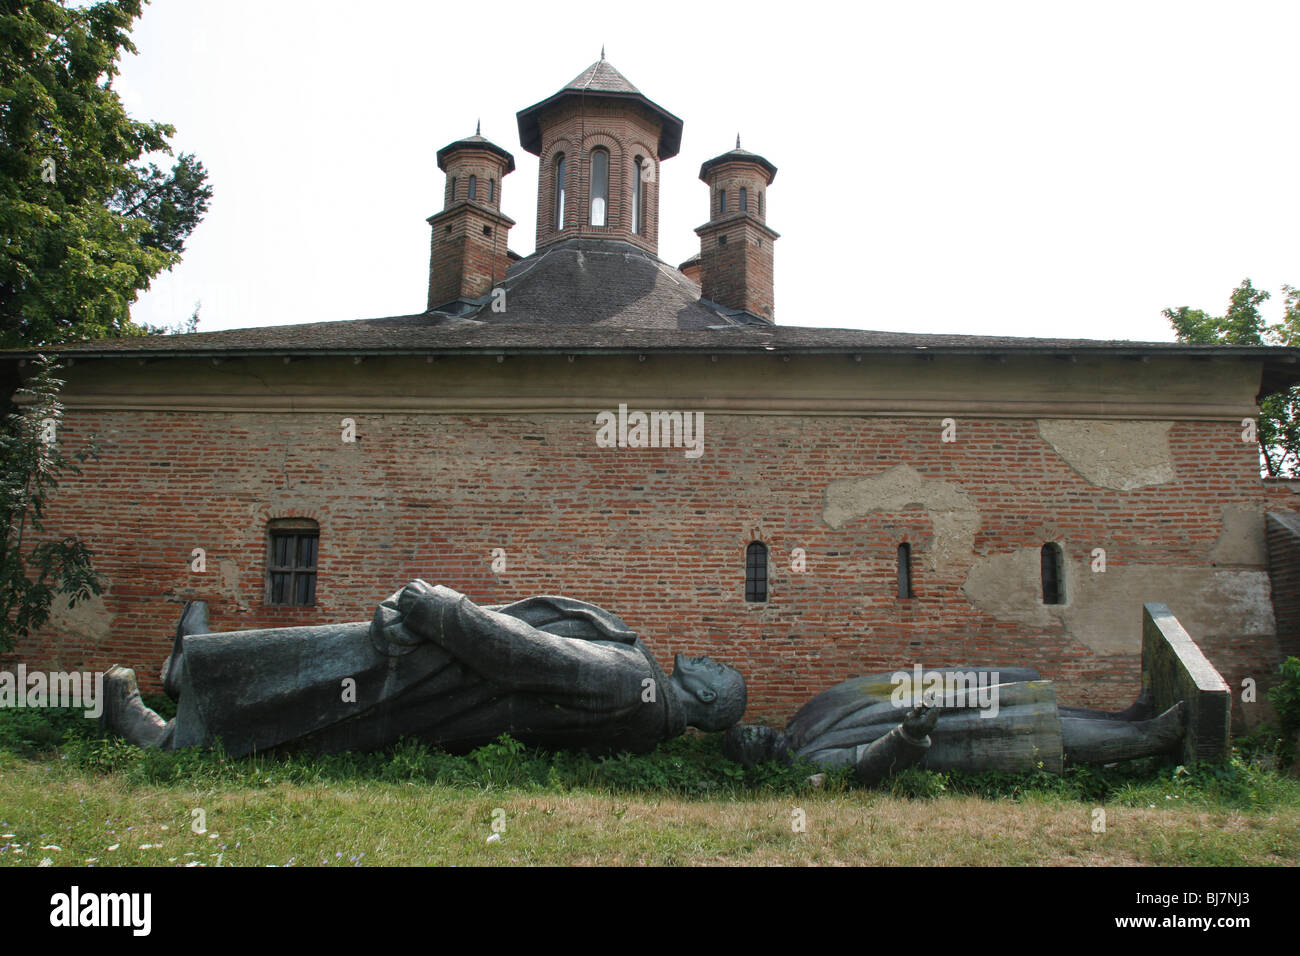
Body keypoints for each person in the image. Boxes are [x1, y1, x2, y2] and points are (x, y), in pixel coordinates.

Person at [102, 581, 747, 758]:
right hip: (454, 704)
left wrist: (439, 607)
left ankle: (173, 735)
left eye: (717, 668)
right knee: (328, 699)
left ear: (709, 696)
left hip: (447, 674)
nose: (708, 657)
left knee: (331, 671)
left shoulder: (629, 682)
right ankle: (194, 675)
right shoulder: (647, 718)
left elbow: (535, 656)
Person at [723, 667, 1185, 786]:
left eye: (744, 729)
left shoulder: (802, 720)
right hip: (945, 736)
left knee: (1032, 706)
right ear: (756, 759)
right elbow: (864, 767)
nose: (750, 732)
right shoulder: (809, 760)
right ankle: (1149, 741)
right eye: (744, 743)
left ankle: (1126, 719)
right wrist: (909, 734)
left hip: (944, 699)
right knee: (1038, 734)